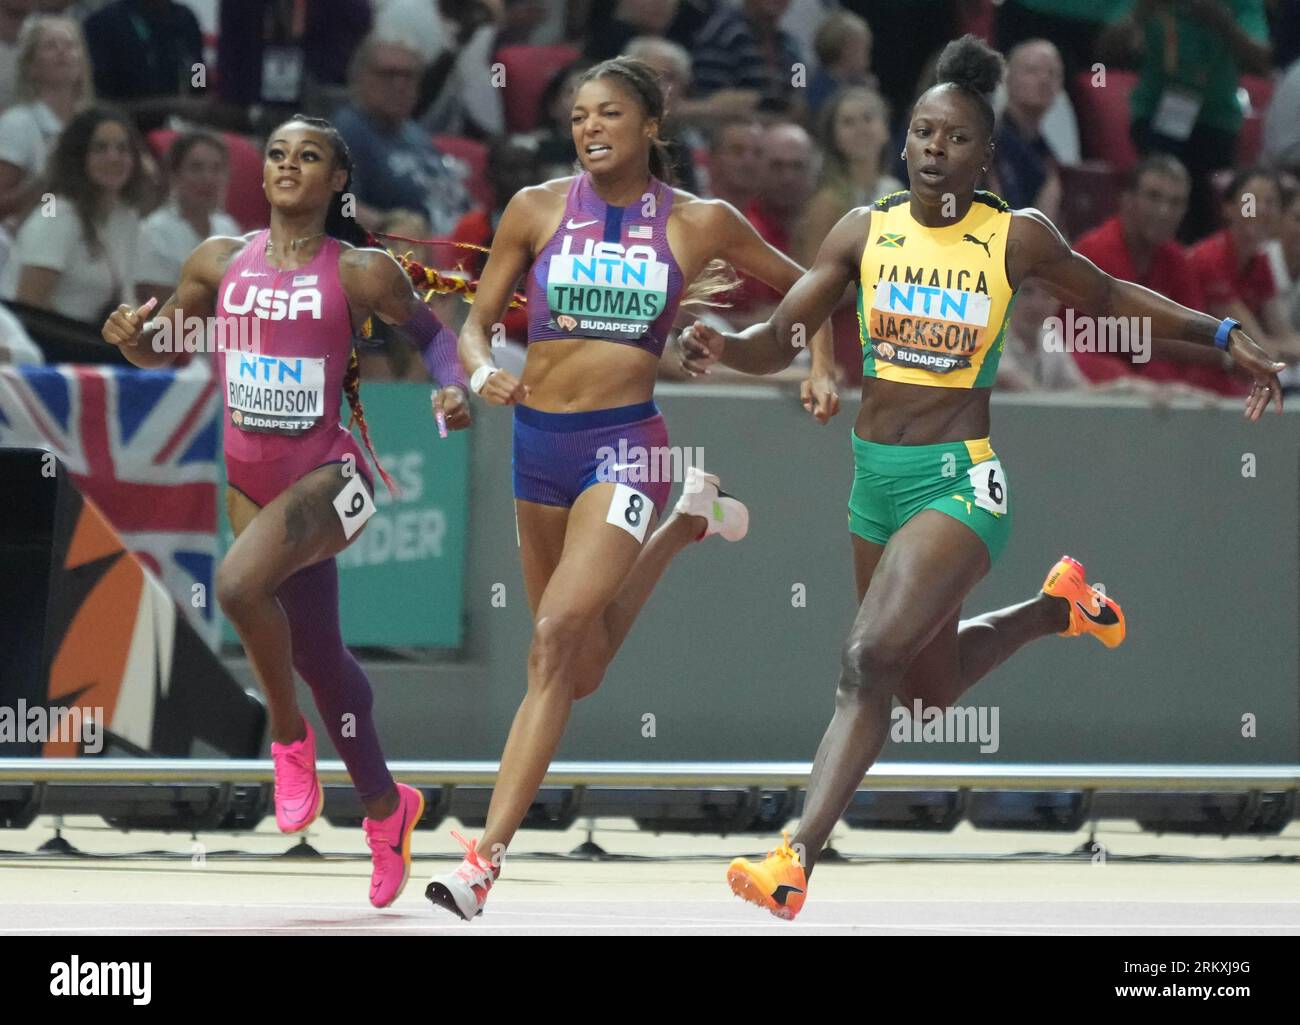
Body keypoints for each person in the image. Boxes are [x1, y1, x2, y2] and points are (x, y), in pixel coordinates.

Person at [677, 35, 1282, 921]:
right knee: (924, 691)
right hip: (873, 480)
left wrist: (1225, 338)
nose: (931, 149)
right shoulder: (862, 231)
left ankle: (794, 853)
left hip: (961, 483)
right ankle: (1058, 606)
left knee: (864, 659)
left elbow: (1111, 299)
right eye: (921, 133)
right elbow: (779, 335)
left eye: (953, 138)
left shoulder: (1013, 236)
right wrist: (722, 347)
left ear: (984, 155)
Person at [423, 56, 839, 921]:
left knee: (552, 636)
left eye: (608, 113)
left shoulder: (699, 221)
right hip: (536, 445)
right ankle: (690, 521)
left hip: (627, 448)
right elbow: (472, 321)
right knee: (581, 670)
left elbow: (811, 286)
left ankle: (481, 861)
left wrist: (821, 364)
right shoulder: (534, 209)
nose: (589, 128)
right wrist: (477, 371)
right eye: (578, 115)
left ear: (651, 126)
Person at [99, 115, 472, 908]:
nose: (287, 165)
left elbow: (437, 340)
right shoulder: (217, 262)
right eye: (276, 154)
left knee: (237, 587)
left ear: (338, 180)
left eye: (309, 156)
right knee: (323, 661)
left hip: (334, 476)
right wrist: (132, 336)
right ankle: (385, 807)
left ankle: (285, 735)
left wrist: (451, 389)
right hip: (249, 478)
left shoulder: (362, 270)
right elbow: (163, 344)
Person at [1, 106, 149, 325]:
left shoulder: (126, 216)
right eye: (100, 148)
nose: (113, 157)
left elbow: (125, 297)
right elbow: (28, 307)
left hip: (96, 340)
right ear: (78, 157)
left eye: (123, 149)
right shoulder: (56, 217)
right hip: (50, 343)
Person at [332, 36, 471, 237]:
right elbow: (332, 204)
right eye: (388, 74)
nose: (399, 85)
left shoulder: (416, 133)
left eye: (409, 76)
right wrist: (388, 225)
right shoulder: (346, 131)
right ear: (358, 78)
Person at [1189, 167, 1300, 364]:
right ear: (1228, 208)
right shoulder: (1210, 257)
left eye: (1271, 202)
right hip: (1189, 368)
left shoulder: (1259, 261)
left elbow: (1281, 331)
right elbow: (1258, 345)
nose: (1263, 209)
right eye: (1252, 200)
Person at [0, 14, 92, 224]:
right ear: (31, 67)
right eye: (51, 46)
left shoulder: (93, 123)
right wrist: (44, 181)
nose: (62, 51)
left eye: (70, 46)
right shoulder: (18, 123)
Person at [135, 131, 240, 308]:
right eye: (196, 168)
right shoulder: (154, 231)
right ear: (175, 176)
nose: (208, 179)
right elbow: (162, 308)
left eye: (216, 169)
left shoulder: (228, 227)